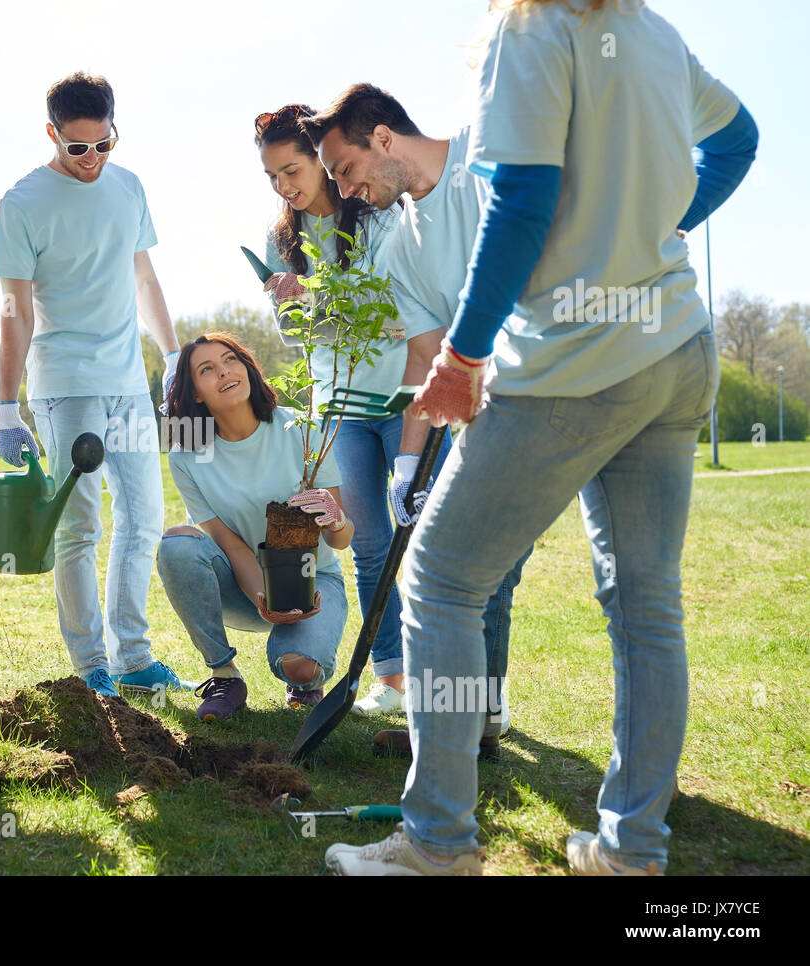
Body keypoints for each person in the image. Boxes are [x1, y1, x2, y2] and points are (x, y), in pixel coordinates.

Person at [323, 0, 756, 875]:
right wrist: (663, 231)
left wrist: (465, 351)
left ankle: (438, 843)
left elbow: (522, 199)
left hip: (574, 362)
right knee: (646, 607)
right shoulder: (651, 31)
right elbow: (739, 139)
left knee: (442, 579)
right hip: (674, 345)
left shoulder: (529, 31)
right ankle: (632, 850)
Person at [301, 86, 534, 751]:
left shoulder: (484, 156)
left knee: (473, 562)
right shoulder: (401, 244)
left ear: (381, 139)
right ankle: (471, 720)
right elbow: (426, 360)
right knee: (463, 565)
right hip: (491, 414)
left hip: (563, 383)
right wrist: (407, 462)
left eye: (345, 169)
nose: (345, 189)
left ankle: (466, 723)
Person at [0, 71, 188, 698]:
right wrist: (4, 406)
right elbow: (14, 311)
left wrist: (174, 354)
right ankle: (90, 667)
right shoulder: (22, 203)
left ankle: (132, 655)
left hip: (127, 383)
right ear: (52, 135)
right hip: (66, 383)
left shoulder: (127, 187)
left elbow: (145, 278)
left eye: (104, 144)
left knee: (144, 516)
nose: (92, 160)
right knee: (80, 526)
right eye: (78, 148)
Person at [255, 103, 451, 719]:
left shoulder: (383, 216)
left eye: (293, 169)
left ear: (323, 158)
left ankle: (445, 685)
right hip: (337, 409)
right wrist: (292, 307)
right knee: (367, 547)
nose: (286, 186)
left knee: (423, 542)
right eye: (273, 178)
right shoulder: (281, 239)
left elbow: (398, 317)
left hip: (402, 401)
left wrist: (314, 303)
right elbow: (297, 339)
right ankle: (392, 682)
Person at [158, 334, 353, 718]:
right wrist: (267, 601)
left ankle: (303, 681)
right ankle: (224, 674)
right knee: (176, 544)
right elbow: (230, 545)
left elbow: (341, 540)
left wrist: (338, 518)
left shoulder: (301, 429)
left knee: (300, 666)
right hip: (243, 586)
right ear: (195, 393)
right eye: (207, 369)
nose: (224, 371)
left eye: (230, 359)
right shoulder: (187, 456)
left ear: (246, 367)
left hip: (314, 582)